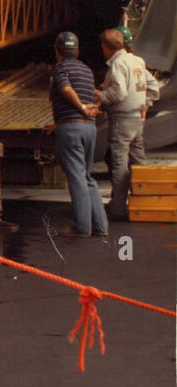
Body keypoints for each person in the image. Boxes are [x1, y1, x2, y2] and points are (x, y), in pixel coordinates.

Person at [96, 28, 159, 222]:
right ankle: (148, 203)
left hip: (121, 120)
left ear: (106, 47)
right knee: (139, 162)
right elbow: (154, 87)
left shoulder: (117, 64)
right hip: (136, 120)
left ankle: (117, 208)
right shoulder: (137, 61)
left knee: (119, 164)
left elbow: (120, 92)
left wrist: (100, 97)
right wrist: (144, 104)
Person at [49, 31, 107, 236]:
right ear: (77, 51)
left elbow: (65, 90)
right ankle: (101, 227)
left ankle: (82, 227)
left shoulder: (60, 67)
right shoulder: (86, 70)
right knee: (86, 176)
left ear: (58, 51)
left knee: (76, 177)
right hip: (89, 128)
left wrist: (80, 107)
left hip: (72, 128)